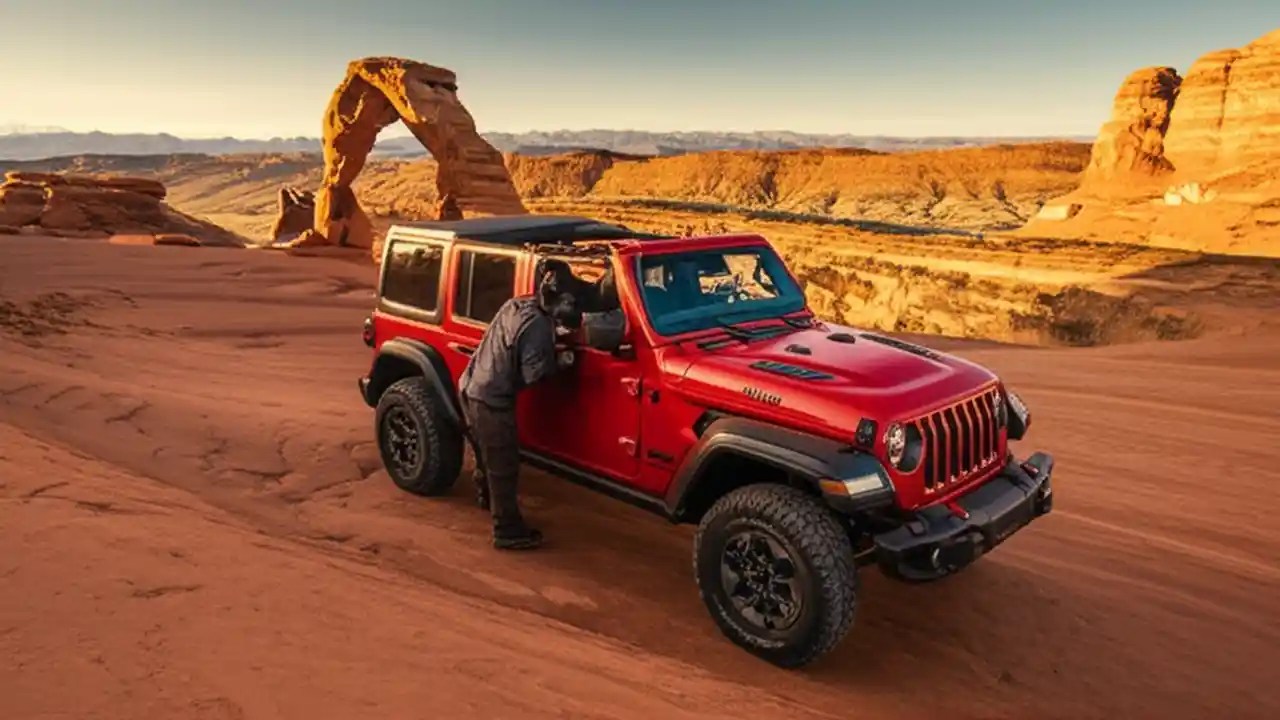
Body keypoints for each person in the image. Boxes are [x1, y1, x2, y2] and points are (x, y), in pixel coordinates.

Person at [458, 264, 581, 550]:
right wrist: (561, 361)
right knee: (504, 465)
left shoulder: (518, 304)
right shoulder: (538, 326)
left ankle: (486, 498)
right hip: (492, 398)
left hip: (469, 384)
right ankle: (507, 530)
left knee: (484, 452)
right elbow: (533, 375)